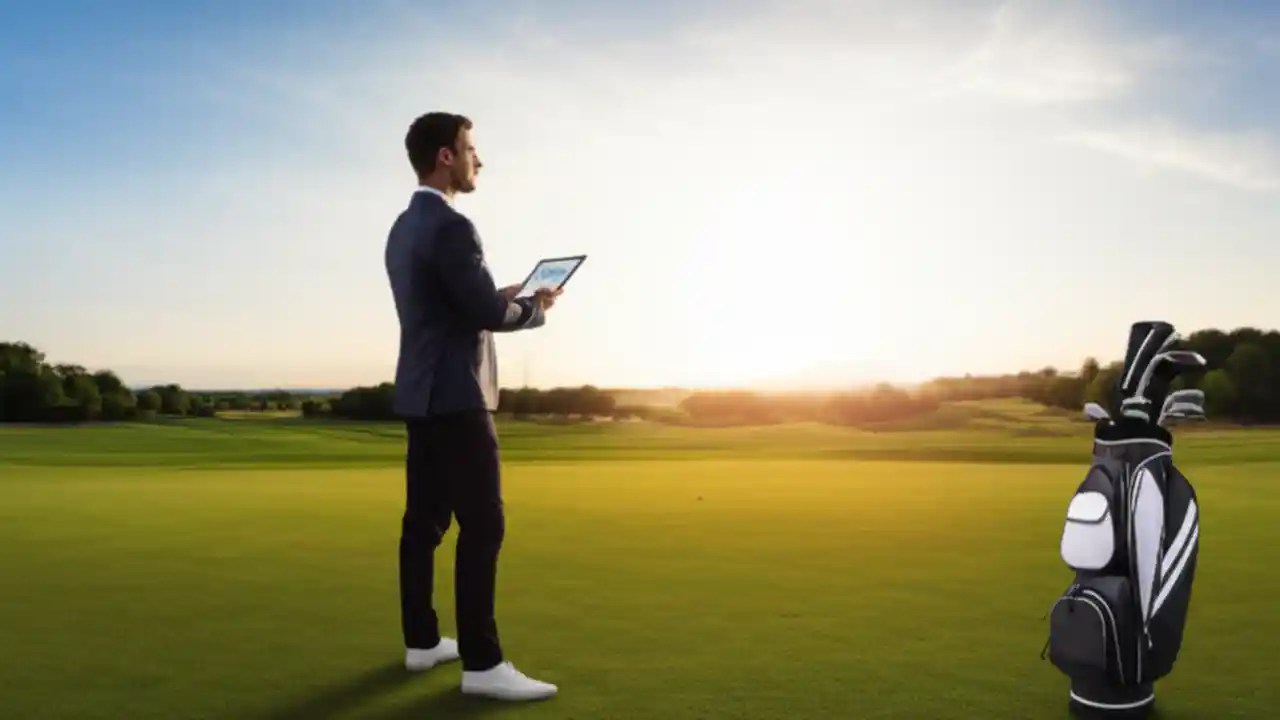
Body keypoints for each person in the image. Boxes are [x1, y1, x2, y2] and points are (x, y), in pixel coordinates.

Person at [384, 112, 561, 701]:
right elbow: (485, 313)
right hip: (460, 397)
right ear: (445, 156)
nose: (477, 160)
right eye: (470, 149)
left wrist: (500, 294)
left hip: (422, 395)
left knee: (424, 524)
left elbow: (454, 301)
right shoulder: (455, 227)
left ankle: (421, 641)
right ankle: (483, 665)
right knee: (484, 525)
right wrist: (533, 308)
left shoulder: (403, 227)